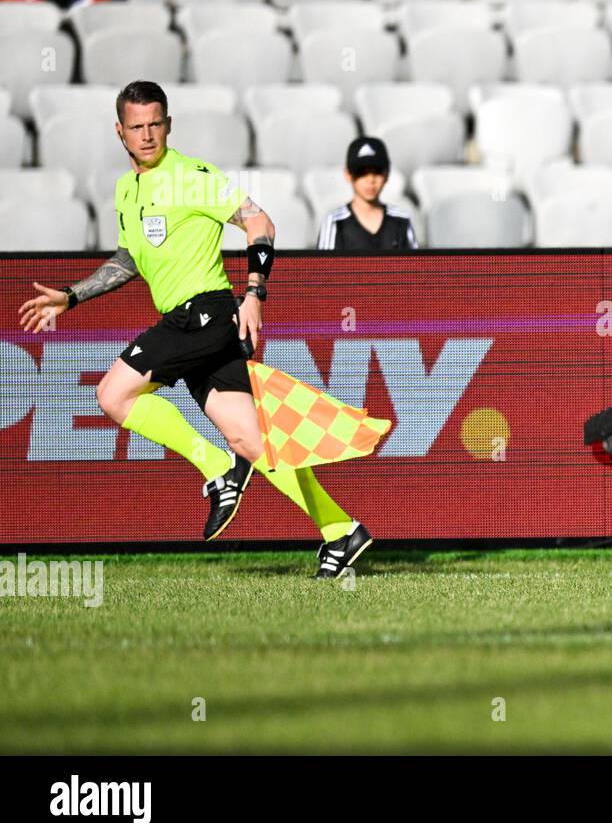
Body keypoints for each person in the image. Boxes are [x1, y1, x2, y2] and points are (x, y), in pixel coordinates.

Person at [17, 81, 373, 579]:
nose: (147, 135)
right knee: (254, 442)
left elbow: (261, 223)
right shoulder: (126, 189)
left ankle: (215, 469)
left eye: (155, 124)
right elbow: (127, 261)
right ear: (120, 132)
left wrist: (255, 292)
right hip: (189, 321)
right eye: (136, 127)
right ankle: (341, 530)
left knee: (113, 394)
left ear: (169, 124)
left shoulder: (191, 176)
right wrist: (73, 296)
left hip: (203, 312)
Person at [317, 136, 420, 251]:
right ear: (348, 175)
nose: (370, 180)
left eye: (377, 172)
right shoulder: (335, 221)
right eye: (362, 172)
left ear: (387, 175)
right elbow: (324, 267)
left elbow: (413, 266)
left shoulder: (401, 220)